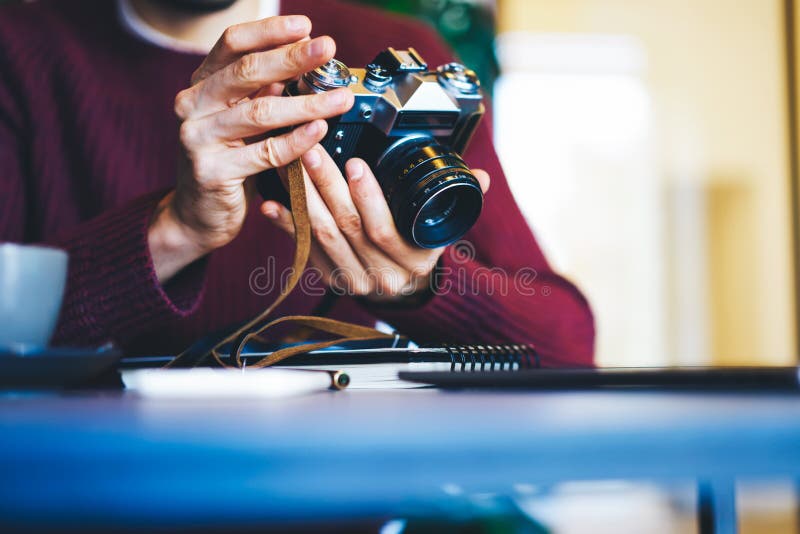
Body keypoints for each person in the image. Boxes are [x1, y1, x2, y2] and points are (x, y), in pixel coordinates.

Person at [0, 0, 595, 365]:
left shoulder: (392, 54)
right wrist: (176, 231)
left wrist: (418, 286)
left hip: (339, 498)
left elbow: (566, 347)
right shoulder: (19, 51)